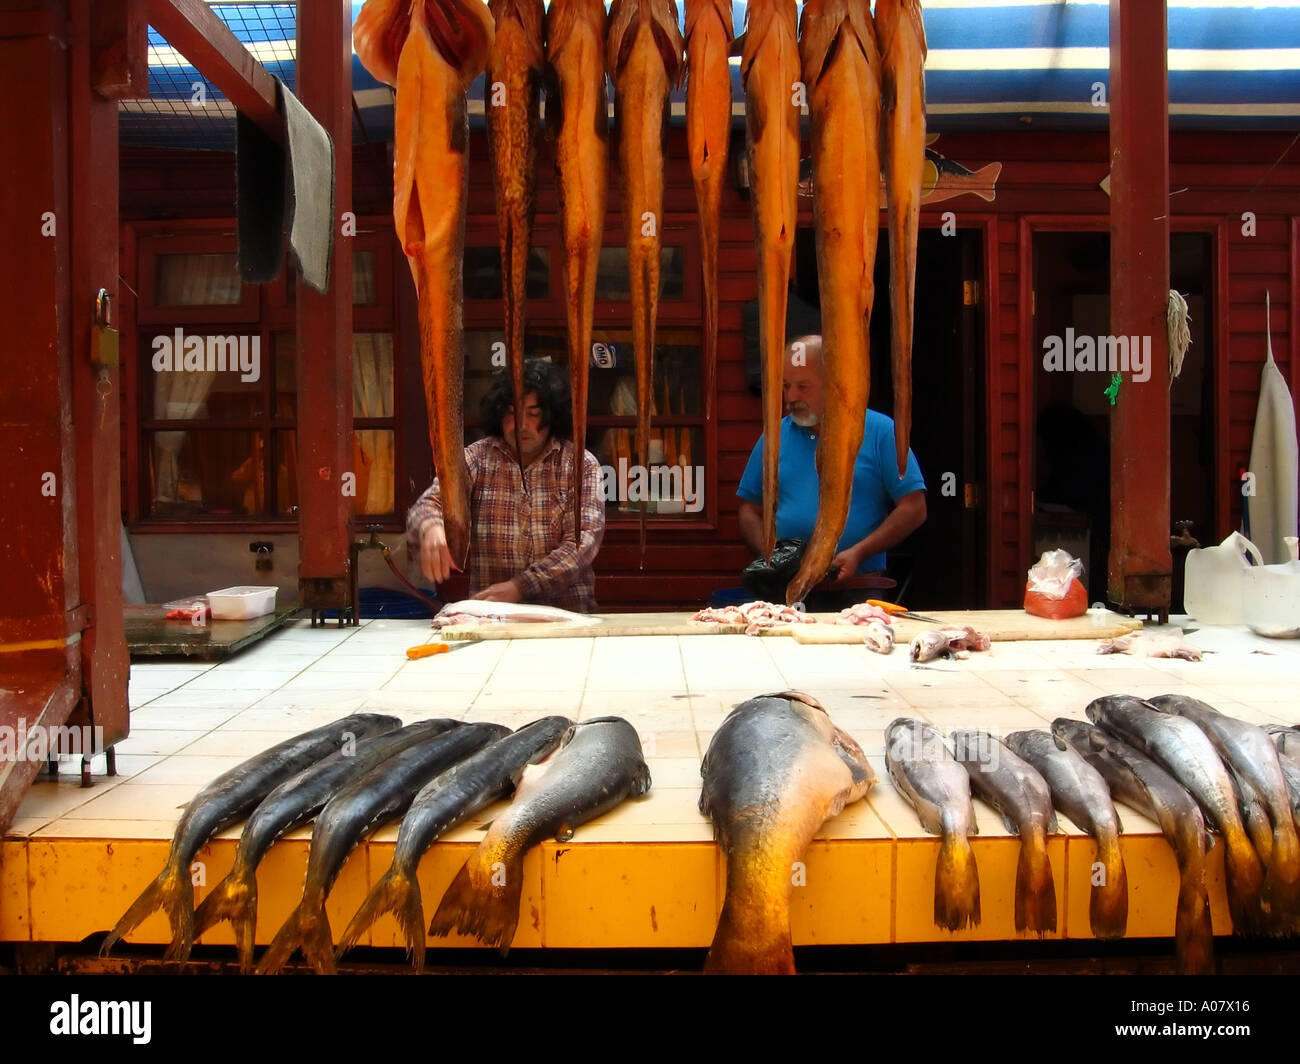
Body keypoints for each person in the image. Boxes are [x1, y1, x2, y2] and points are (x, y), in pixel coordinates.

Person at [736, 335, 927, 604]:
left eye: (803, 386)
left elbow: (914, 507)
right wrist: (773, 558)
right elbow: (748, 509)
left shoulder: (879, 432)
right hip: (789, 588)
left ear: (834, 382)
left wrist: (860, 551)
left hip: (858, 587)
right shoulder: (774, 437)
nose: (791, 397)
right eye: (786, 386)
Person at [407, 358, 605, 611]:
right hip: (492, 615)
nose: (521, 425)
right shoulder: (477, 458)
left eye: (534, 414)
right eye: (511, 413)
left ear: (553, 417)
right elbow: (427, 504)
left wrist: (520, 586)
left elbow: (581, 545)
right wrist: (431, 527)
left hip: (565, 616)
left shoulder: (580, 465)